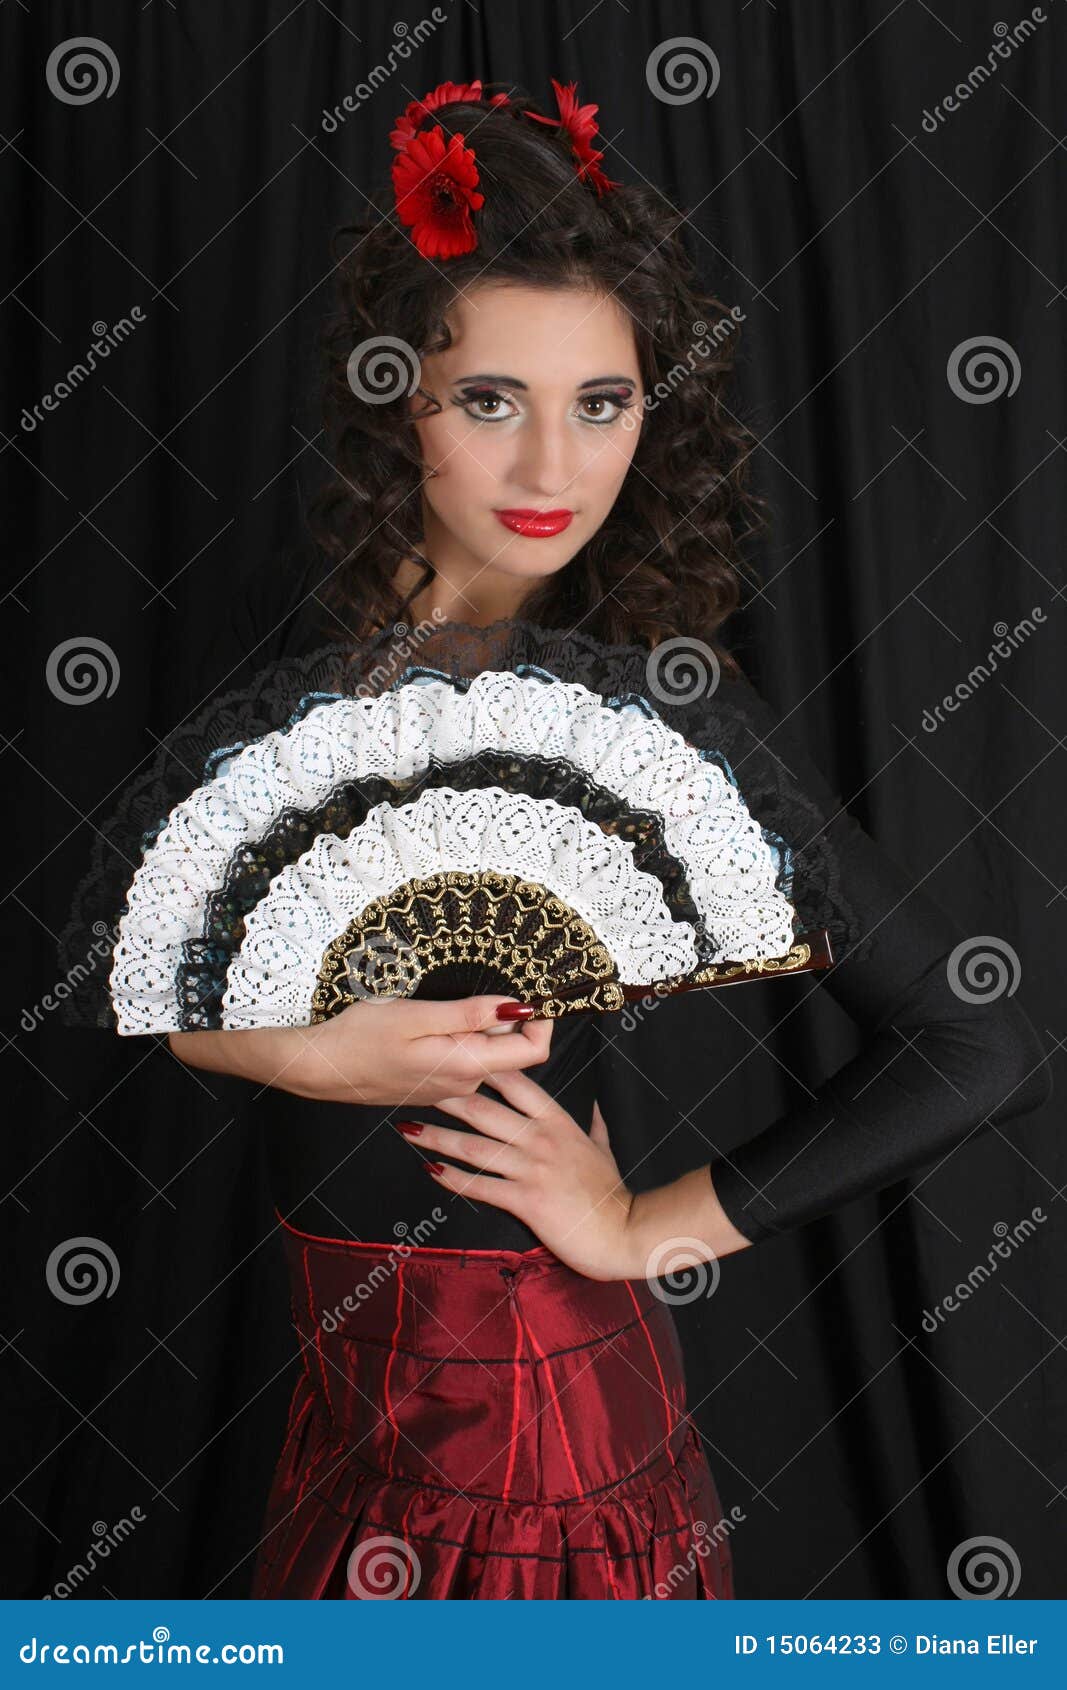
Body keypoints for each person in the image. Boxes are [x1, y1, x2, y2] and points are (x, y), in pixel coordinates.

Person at [59, 77, 1052, 1600]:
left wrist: (642, 1222)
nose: (552, 470)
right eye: (489, 401)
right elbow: (160, 968)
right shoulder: (279, 658)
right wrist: (297, 1052)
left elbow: (973, 1043)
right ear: (399, 395)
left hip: (525, 1421)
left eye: (603, 402)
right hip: (347, 1388)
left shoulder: (666, 704)